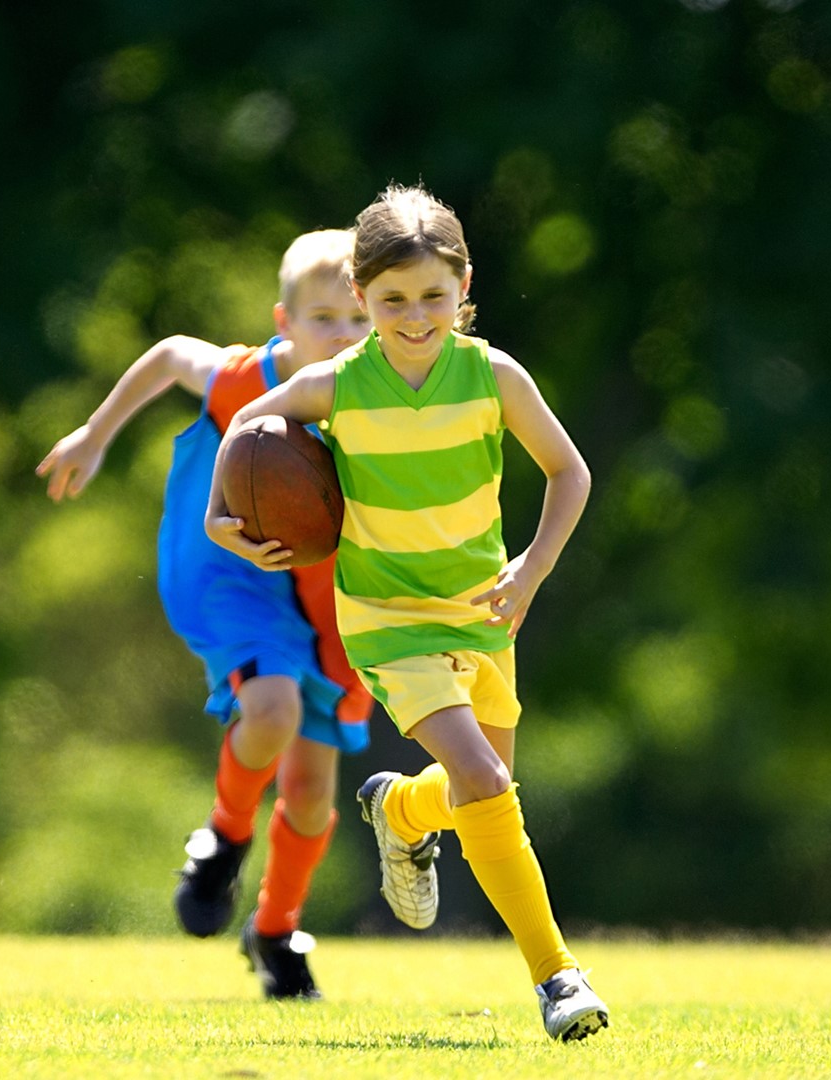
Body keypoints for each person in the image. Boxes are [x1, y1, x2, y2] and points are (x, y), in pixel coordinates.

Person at [205, 185, 608, 1041]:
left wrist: (531, 571)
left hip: (485, 610)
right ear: (361, 298)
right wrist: (220, 520)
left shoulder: (495, 376)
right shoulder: (339, 387)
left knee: (474, 798)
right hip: (389, 620)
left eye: (433, 295)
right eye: (391, 300)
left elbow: (570, 473)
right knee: (492, 785)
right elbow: (245, 422)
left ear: (466, 286)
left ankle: (399, 813)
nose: (415, 316)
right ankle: (559, 978)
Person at [37, 230, 371, 999]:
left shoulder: (384, 395)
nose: (344, 336)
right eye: (324, 318)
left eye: (358, 320)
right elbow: (168, 355)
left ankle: (277, 930)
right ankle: (224, 835)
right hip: (239, 581)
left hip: (333, 603)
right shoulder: (245, 379)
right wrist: (96, 431)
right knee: (272, 707)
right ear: (283, 321)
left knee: (315, 793)